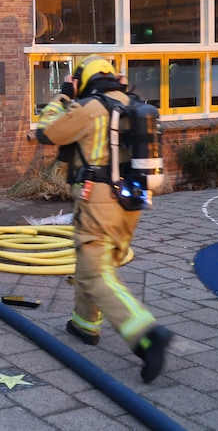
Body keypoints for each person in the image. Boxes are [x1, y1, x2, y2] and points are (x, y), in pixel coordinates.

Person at [34, 55, 173, 384]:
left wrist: (63, 96)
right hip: (133, 198)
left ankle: (146, 334)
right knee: (96, 262)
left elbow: (46, 131)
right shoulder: (133, 102)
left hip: (98, 200)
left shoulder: (90, 108)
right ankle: (85, 324)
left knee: (97, 273)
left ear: (83, 80)